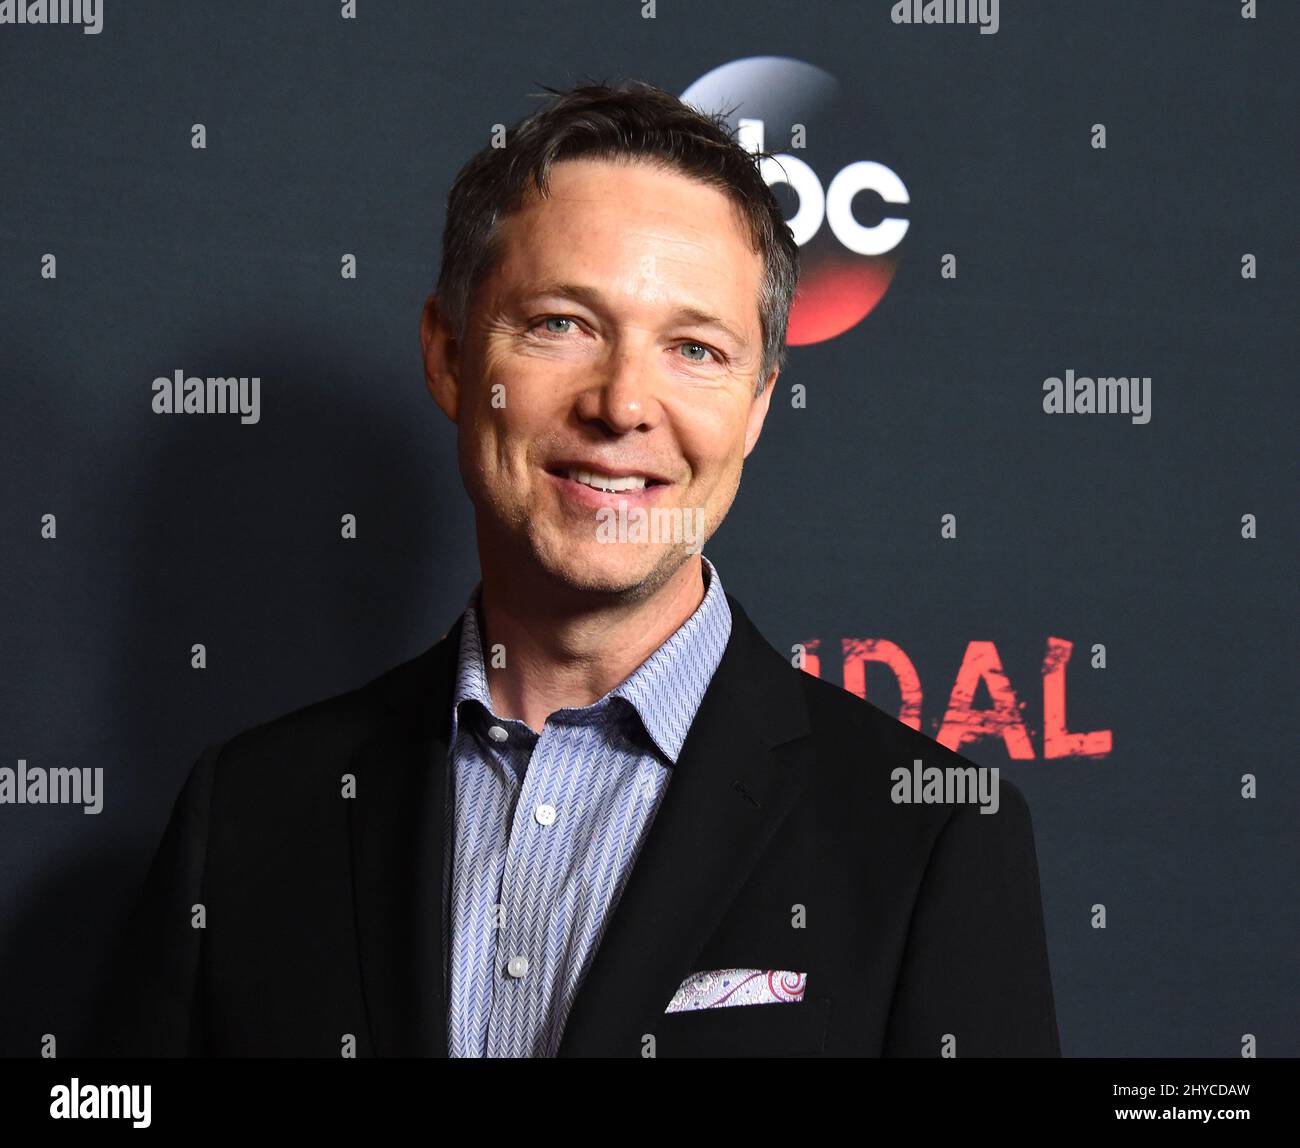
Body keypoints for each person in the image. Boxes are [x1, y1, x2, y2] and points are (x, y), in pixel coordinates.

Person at [94, 79, 1059, 1058]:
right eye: (562, 323)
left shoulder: (927, 838)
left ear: (759, 404)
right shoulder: (250, 812)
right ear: (449, 355)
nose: (623, 403)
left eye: (695, 347)